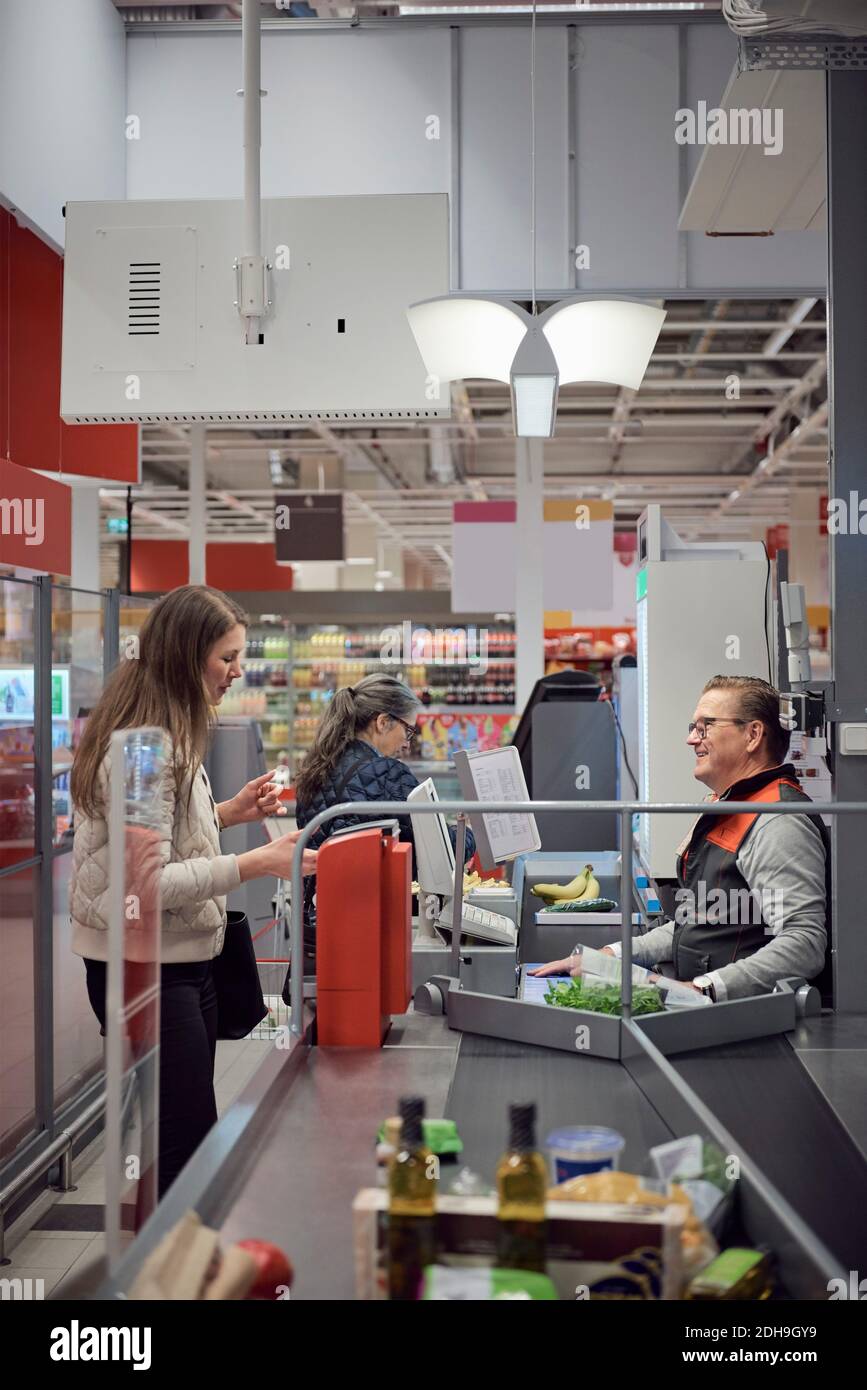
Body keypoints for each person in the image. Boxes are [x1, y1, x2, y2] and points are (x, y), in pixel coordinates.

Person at [70, 585, 317, 1198]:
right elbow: (144, 884)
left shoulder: (170, 728)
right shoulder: (145, 747)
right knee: (182, 1154)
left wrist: (225, 813)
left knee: (185, 1143)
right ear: (187, 656)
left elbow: (158, 839)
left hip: (181, 962)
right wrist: (254, 862)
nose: (238, 671)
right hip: (148, 973)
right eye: (227, 658)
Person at [531, 675, 829, 1002]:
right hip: (697, 1007)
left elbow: (804, 942)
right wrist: (609, 956)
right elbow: (693, 922)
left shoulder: (778, 821)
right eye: (693, 727)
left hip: (742, 1024)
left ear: (753, 734)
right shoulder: (727, 804)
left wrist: (704, 988)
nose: (691, 739)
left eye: (705, 728)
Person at [294, 672, 475, 942]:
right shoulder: (387, 772)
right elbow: (443, 849)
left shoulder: (319, 766)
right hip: (367, 926)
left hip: (318, 921)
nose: (407, 742)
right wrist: (470, 832)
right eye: (408, 730)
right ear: (383, 722)